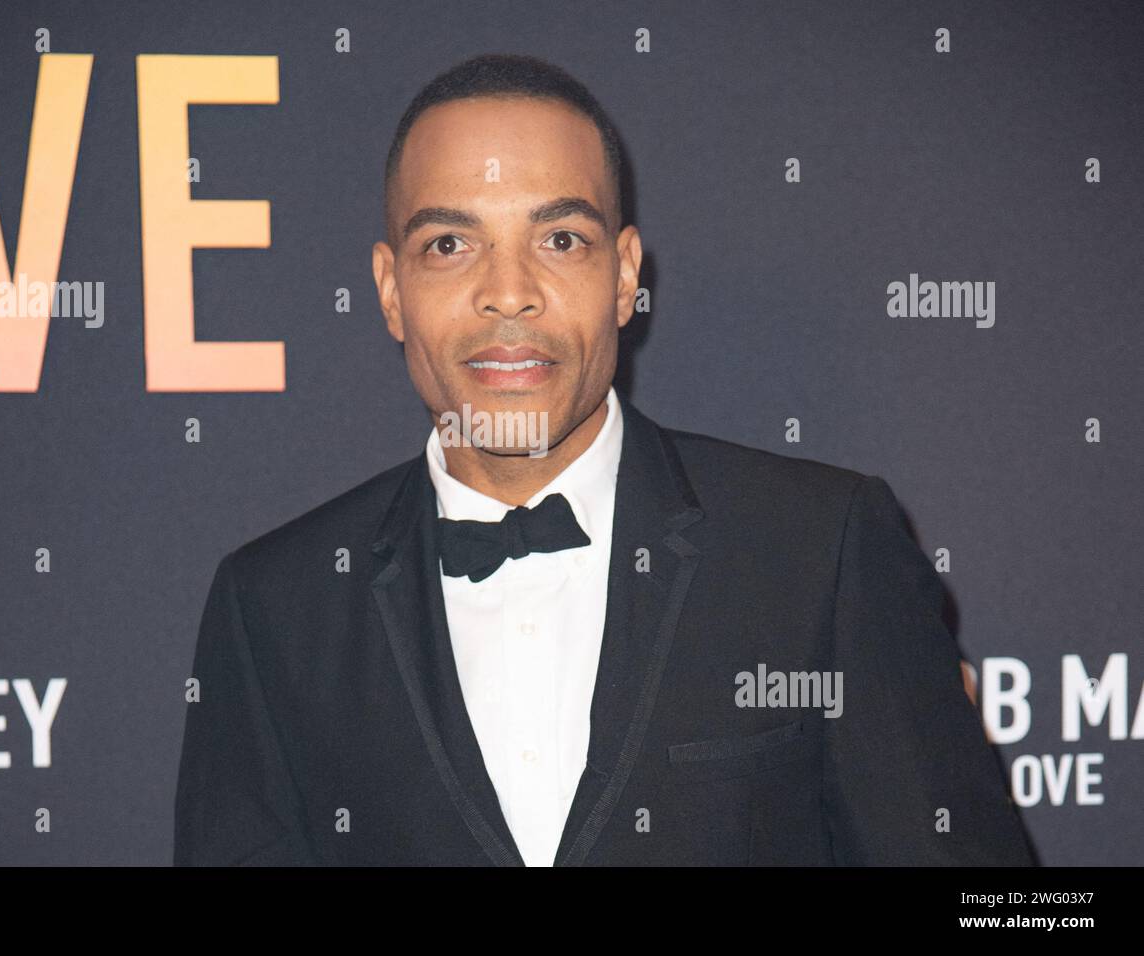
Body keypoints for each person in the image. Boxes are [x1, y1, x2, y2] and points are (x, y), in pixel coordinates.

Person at [173, 53, 1035, 866]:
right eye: (449, 244)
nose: (508, 291)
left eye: (560, 240)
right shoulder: (275, 609)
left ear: (625, 276)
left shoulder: (820, 551)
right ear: (391, 288)